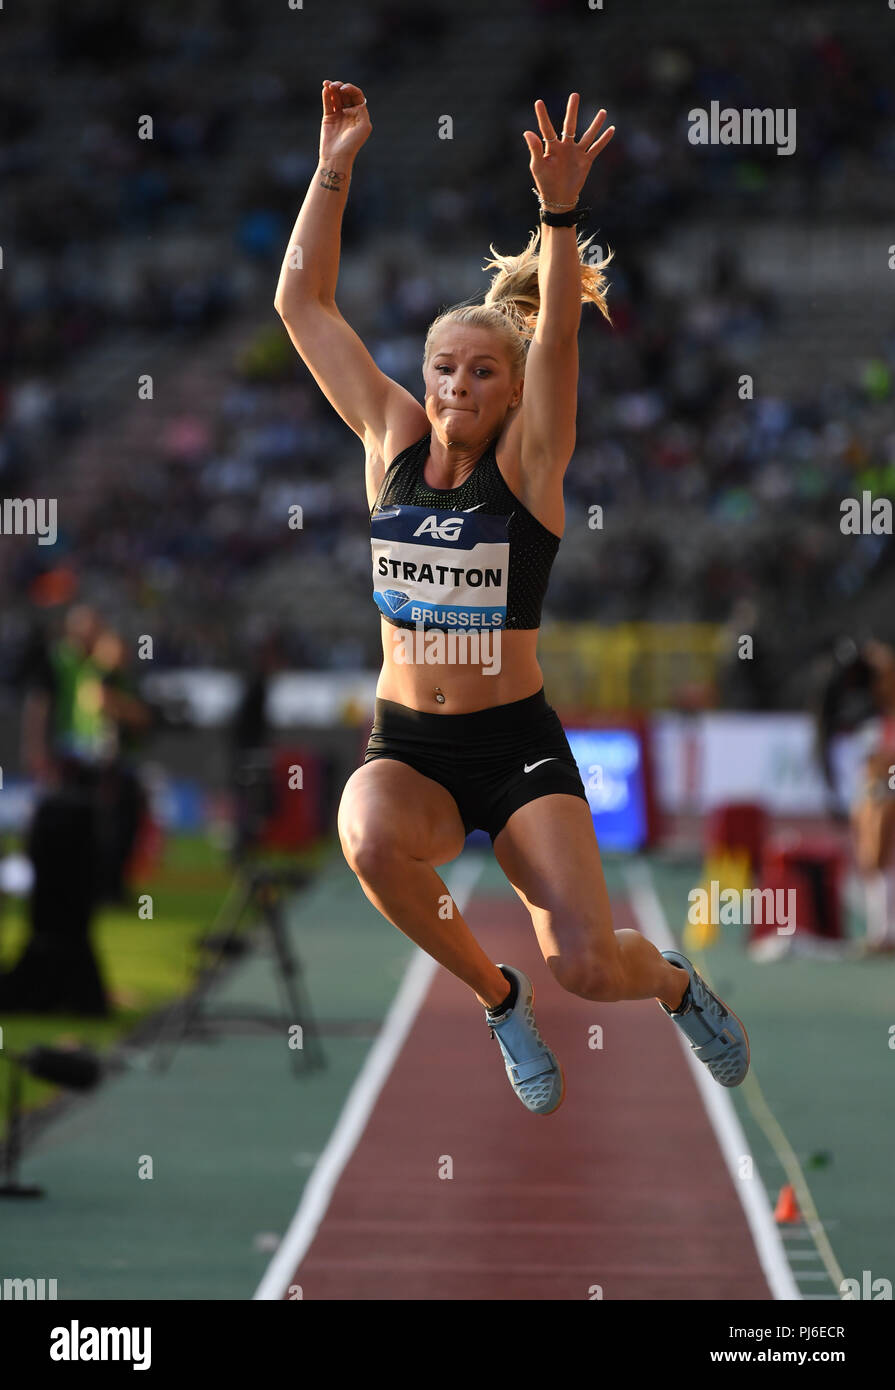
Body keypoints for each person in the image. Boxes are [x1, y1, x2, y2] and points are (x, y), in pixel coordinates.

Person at [274, 81, 750, 1114]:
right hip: (409, 747)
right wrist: (336, 157)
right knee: (363, 839)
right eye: (442, 368)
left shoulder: (531, 468)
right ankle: (498, 1000)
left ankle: (670, 982)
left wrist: (560, 215)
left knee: (587, 959)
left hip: (516, 748)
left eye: (482, 373)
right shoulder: (389, 444)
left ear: (510, 386)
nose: (454, 389)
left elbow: (563, 342)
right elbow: (302, 306)